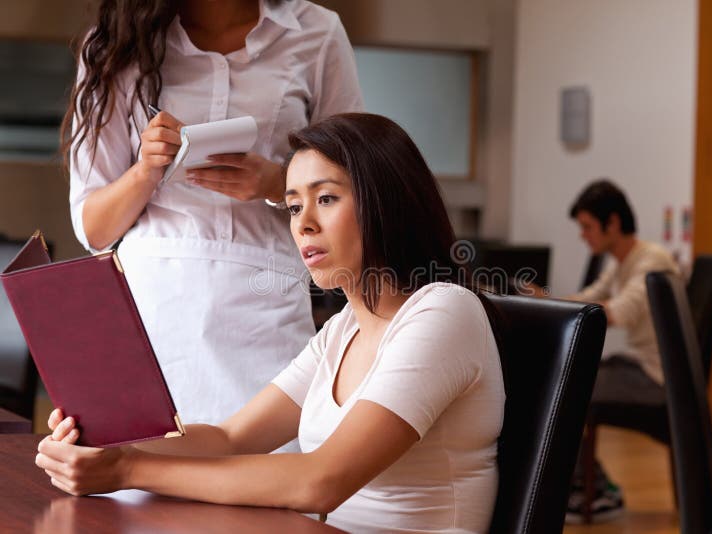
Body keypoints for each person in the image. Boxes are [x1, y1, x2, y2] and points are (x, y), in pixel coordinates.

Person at [37, 113, 506, 534]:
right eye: (294, 206)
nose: (303, 225)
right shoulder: (344, 331)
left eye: (326, 198)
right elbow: (230, 438)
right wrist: (105, 441)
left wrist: (126, 471)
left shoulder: (443, 312)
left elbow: (322, 480)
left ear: (387, 202)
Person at [63, 0, 363, 427]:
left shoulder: (317, 31)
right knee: (137, 477)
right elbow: (93, 229)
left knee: (268, 474)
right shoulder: (115, 41)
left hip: (266, 303)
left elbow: (356, 185)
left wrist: (278, 183)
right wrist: (146, 170)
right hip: (149, 308)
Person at [522, 179, 680, 523]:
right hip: (636, 366)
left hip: (655, 376)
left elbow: (618, 311)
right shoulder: (622, 262)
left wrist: (553, 307)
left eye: (587, 227)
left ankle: (594, 490)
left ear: (613, 223)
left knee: (563, 389)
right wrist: (547, 303)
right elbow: (590, 297)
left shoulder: (652, 261)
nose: (583, 235)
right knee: (560, 384)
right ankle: (590, 486)